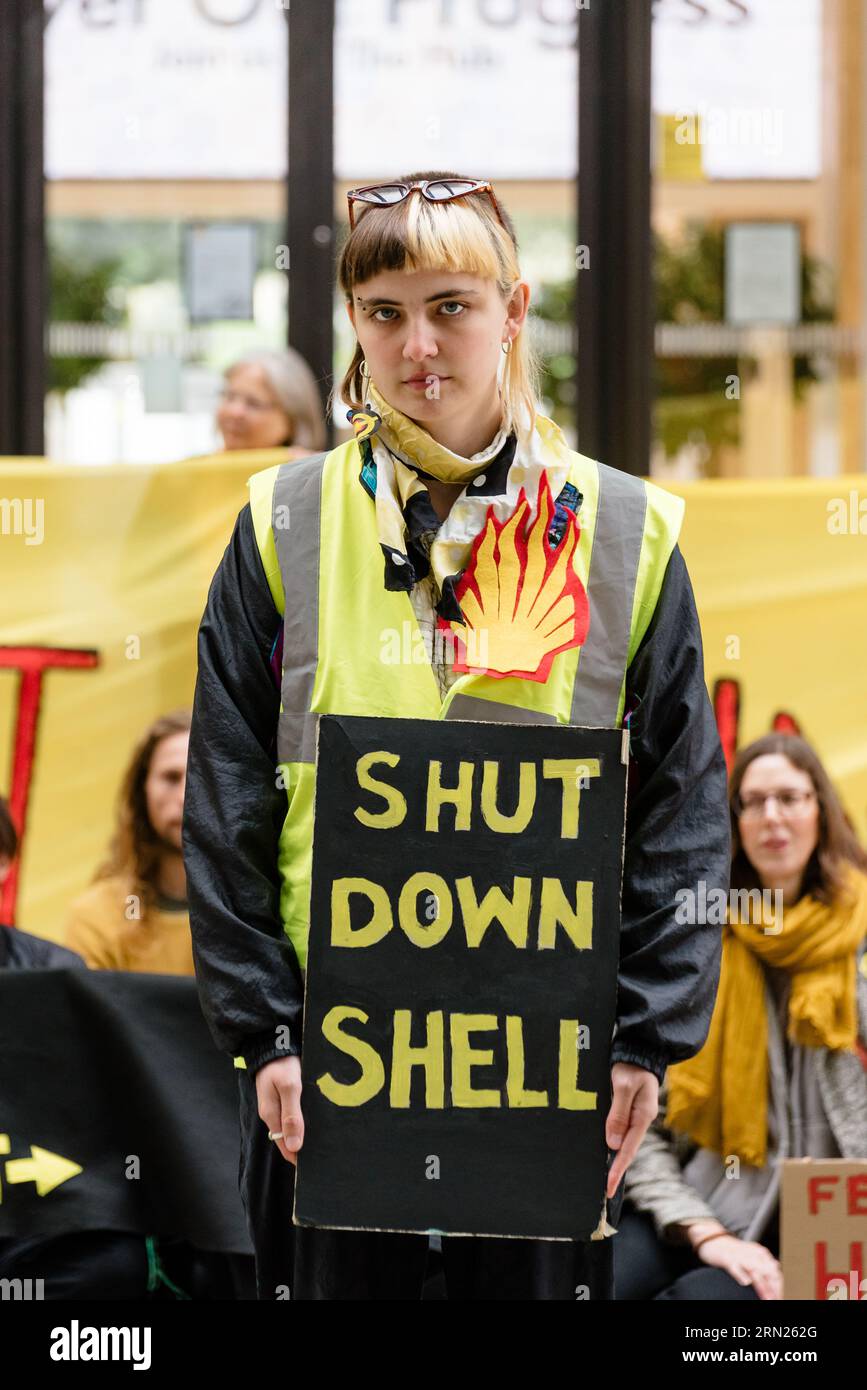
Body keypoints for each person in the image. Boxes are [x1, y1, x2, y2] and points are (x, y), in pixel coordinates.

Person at [183, 170, 730, 1300]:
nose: (416, 344)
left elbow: (685, 808)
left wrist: (642, 1041)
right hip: (330, 1065)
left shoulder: (625, 530)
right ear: (353, 326)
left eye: (451, 306)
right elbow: (227, 800)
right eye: (383, 312)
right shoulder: (282, 522)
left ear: (516, 311)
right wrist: (265, 1034)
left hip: (538, 1067)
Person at [616, 732, 867, 1301]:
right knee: (595, 1282)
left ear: (821, 810)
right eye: (752, 802)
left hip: (836, 1220)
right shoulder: (693, 941)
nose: (771, 817)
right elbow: (643, 1124)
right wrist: (704, 1232)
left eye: (790, 797)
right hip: (699, 1201)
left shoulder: (860, 938)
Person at [65, 711, 194, 975]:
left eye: (201, 777)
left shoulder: (257, 910)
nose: (184, 797)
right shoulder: (98, 916)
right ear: (141, 790)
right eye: (171, 777)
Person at [216, 348, 327, 455]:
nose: (234, 412)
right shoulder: (205, 467)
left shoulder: (313, 471)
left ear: (292, 420)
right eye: (230, 397)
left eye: (254, 404)